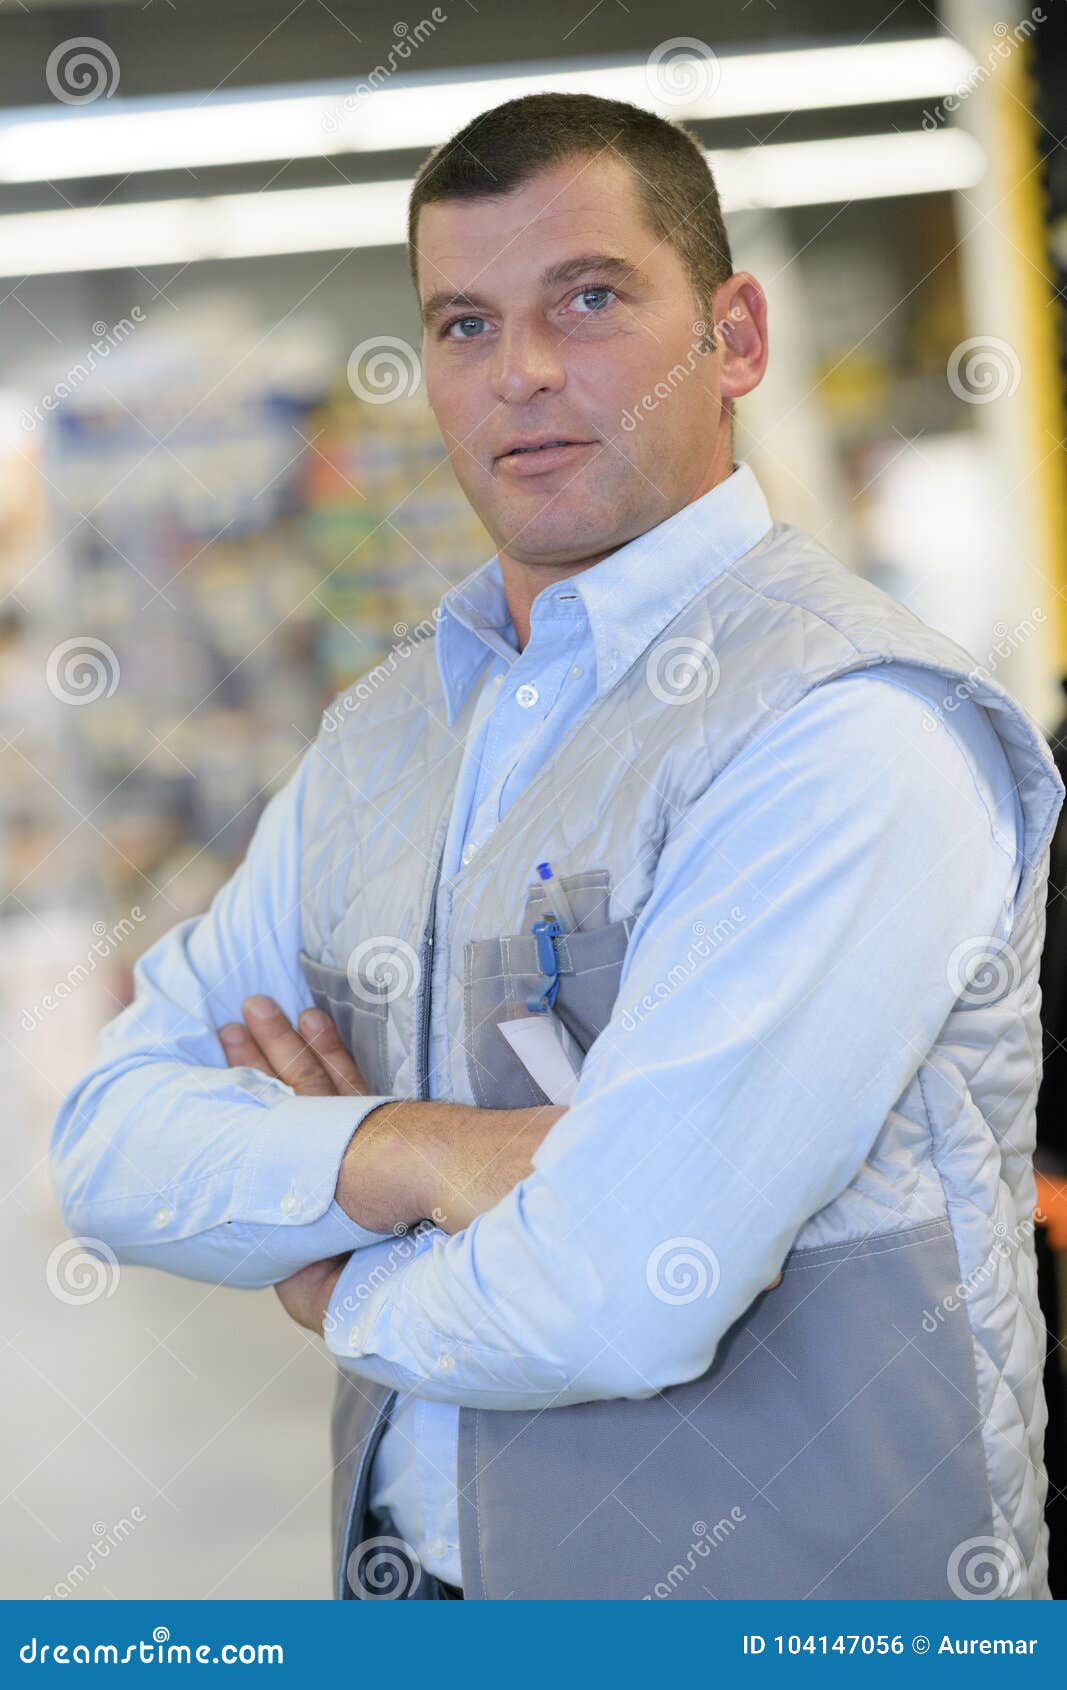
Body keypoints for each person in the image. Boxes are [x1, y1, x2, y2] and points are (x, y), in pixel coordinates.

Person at [52, 92, 1064, 1601]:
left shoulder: (847, 727)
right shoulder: (381, 739)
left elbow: (620, 1291)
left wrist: (338, 1272)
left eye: (587, 300)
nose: (520, 372)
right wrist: (417, 1146)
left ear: (735, 337)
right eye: (463, 324)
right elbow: (109, 1140)